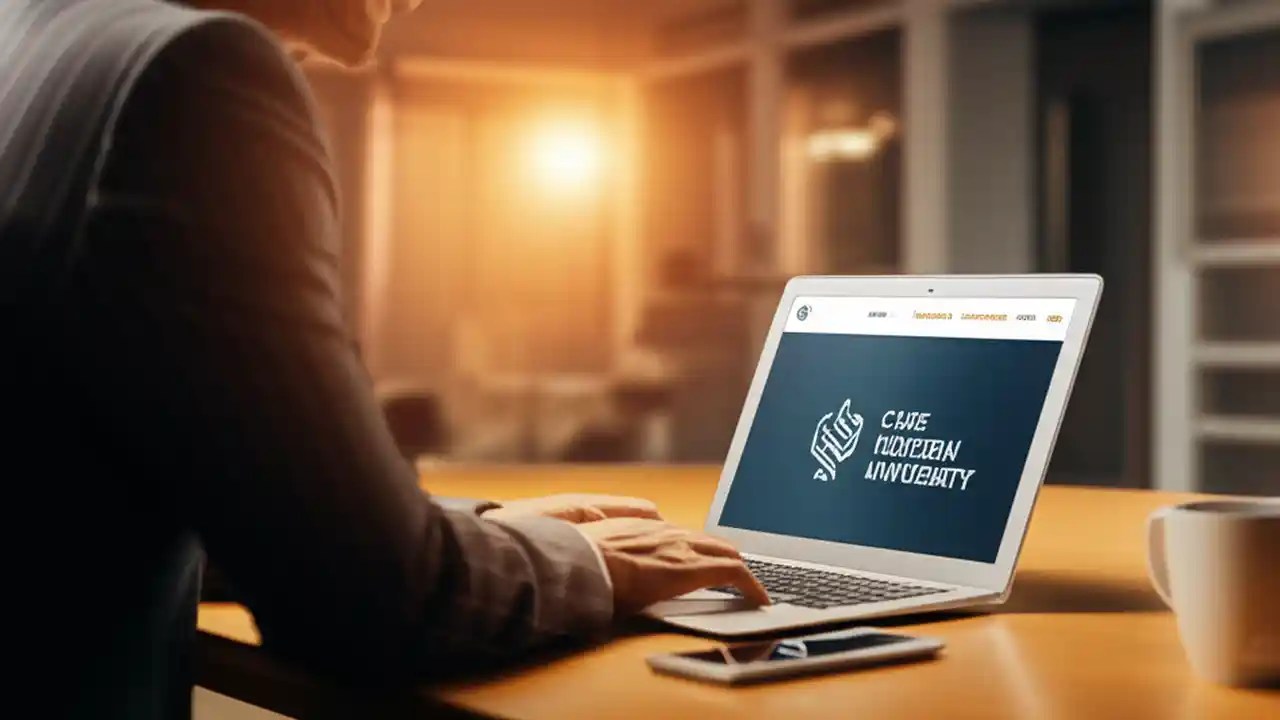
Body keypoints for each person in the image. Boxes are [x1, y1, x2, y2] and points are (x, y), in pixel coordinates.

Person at [0, 1, 767, 717]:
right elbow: (371, 607)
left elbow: (111, 502)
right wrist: (581, 565)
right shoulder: (192, 76)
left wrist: (459, 535)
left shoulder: (31, 33)